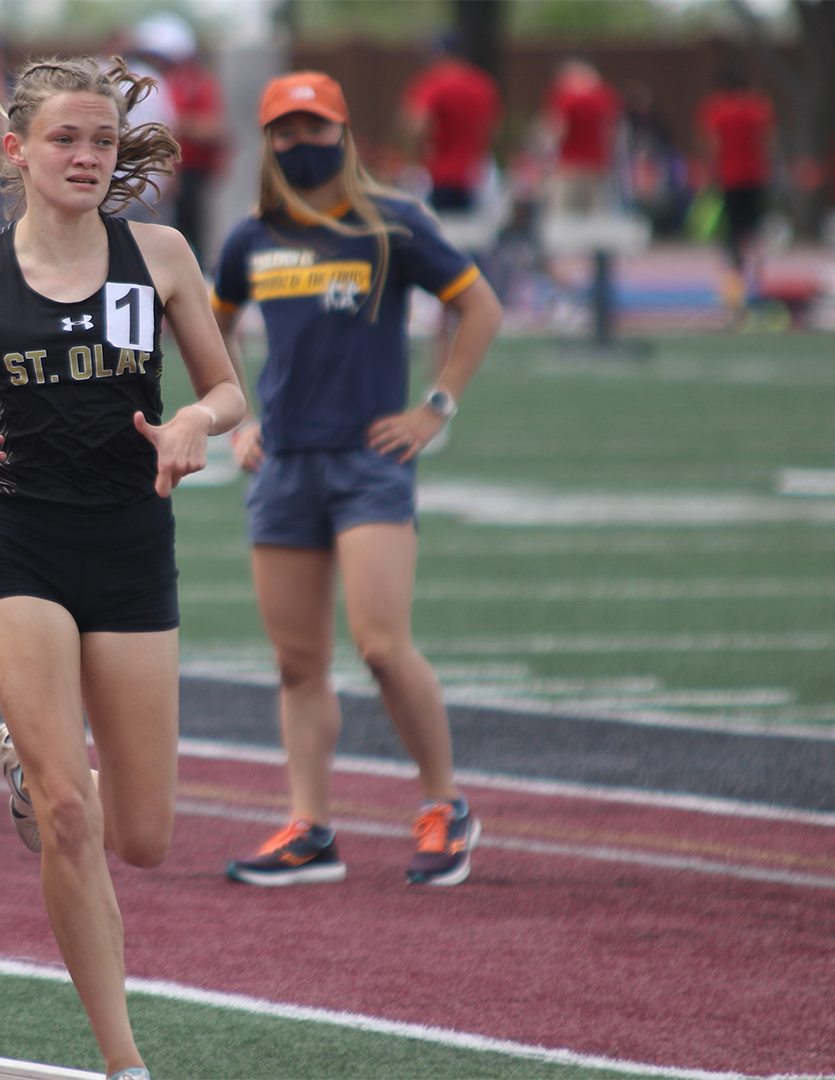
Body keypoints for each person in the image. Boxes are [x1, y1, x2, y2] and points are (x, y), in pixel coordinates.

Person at [0, 56, 243, 1080]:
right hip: (20, 546)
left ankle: (26, 754)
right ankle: (122, 1061)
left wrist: (194, 419)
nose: (86, 157)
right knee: (72, 813)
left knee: (143, 836)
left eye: (103, 141)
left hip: (133, 547)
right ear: (16, 151)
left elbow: (228, 391)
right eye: (65, 139)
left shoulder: (159, 256)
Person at [212, 72, 501, 888]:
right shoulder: (252, 236)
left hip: (369, 462)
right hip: (285, 466)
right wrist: (237, 419)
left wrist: (434, 408)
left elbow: (479, 307)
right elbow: (209, 323)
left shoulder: (395, 224)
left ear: (343, 130)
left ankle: (445, 806)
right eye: (286, 132)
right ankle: (311, 829)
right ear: (268, 141)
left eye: (315, 129)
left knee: (380, 644)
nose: (302, 145)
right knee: (297, 662)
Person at [132, 13, 224, 255]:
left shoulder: (194, 83)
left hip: (189, 173)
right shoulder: (146, 81)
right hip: (153, 177)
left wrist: (173, 123)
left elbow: (213, 127)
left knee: (188, 237)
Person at [399, 33, 501, 214]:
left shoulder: (434, 82)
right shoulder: (483, 83)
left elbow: (417, 125)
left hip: (440, 175)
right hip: (477, 175)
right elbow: (493, 130)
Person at [695, 68, 774, 289]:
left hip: (729, 173)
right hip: (755, 172)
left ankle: (735, 268)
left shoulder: (717, 109)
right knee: (753, 220)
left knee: (733, 223)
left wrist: (711, 169)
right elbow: (765, 140)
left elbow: (713, 143)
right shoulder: (758, 108)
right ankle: (758, 264)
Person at [540, 59, 619, 217]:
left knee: (562, 214)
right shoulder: (604, 96)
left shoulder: (565, 97)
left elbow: (559, 131)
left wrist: (546, 157)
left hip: (569, 165)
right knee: (594, 215)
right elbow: (610, 131)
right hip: (596, 166)